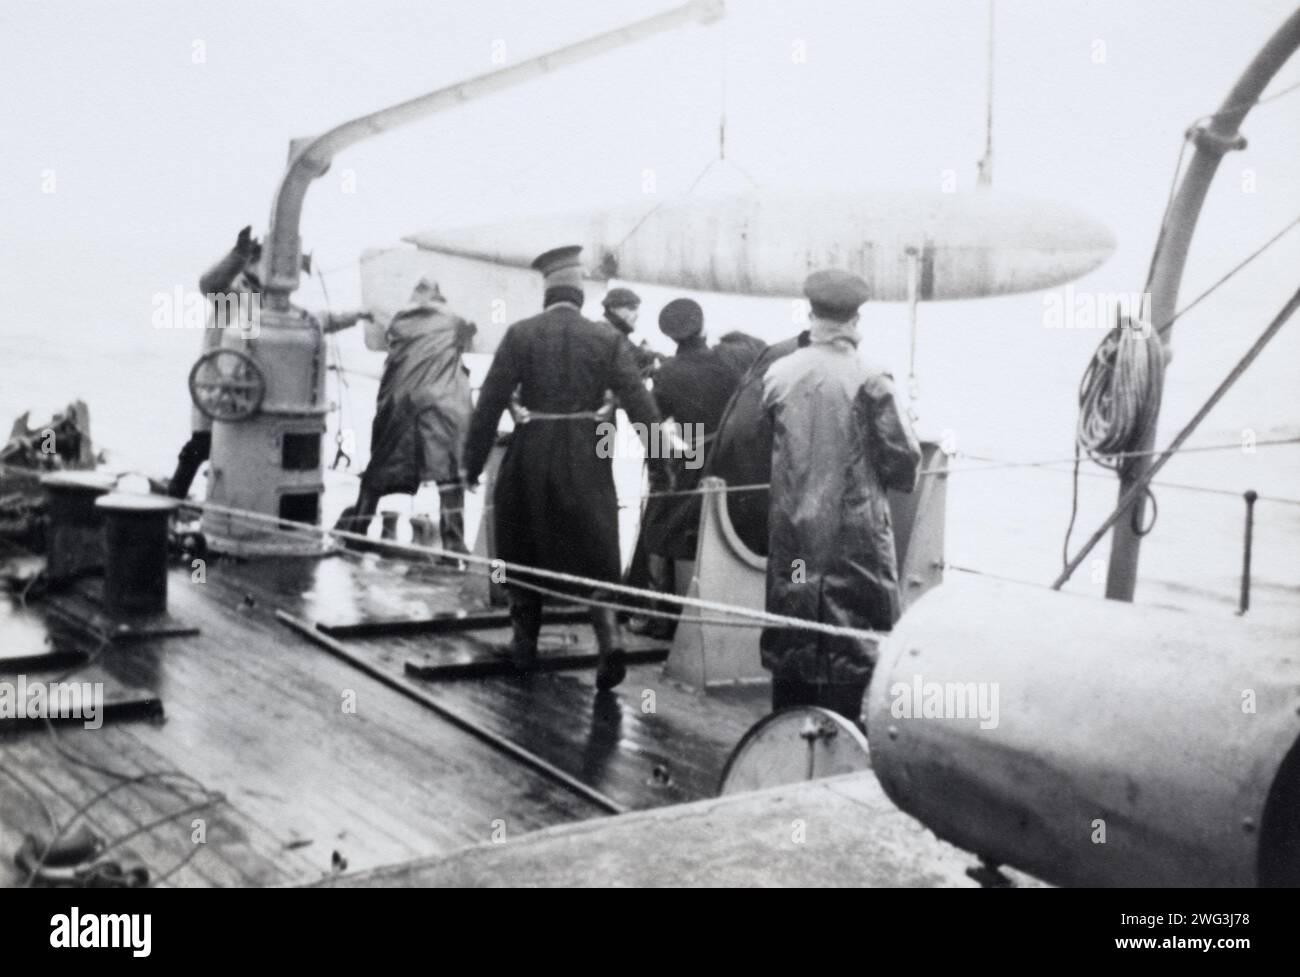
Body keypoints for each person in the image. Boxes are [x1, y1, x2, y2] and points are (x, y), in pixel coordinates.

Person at [462, 245, 661, 691]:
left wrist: (471, 466)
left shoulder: (520, 334)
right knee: (594, 543)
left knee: (522, 539)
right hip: (588, 454)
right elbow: (641, 407)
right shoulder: (606, 339)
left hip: (531, 452)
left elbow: (489, 405)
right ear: (581, 296)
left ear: (547, 295)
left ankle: (524, 643)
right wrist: (665, 465)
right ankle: (608, 637)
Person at [760, 270, 922, 720]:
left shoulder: (779, 374)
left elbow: (764, 441)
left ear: (811, 313)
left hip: (794, 533)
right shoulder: (871, 378)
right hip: (854, 537)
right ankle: (846, 730)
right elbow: (903, 462)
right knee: (856, 629)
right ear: (855, 317)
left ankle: (787, 720)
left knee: (794, 612)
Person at [169, 227, 368, 499]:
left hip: (249, 392)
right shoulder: (231, 294)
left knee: (237, 452)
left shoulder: (269, 302)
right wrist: (237, 255)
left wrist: (354, 317)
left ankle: (220, 501)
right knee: (202, 444)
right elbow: (209, 284)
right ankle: (173, 499)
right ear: (255, 262)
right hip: (219, 385)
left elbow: (311, 321)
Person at [334, 277, 475, 559]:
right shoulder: (455, 321)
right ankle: (454, 547)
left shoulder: (398, 322)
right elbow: (472, 333)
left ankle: (357, 534)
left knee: (377, 472)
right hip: (444, 406)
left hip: (398, 405)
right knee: (449, 473)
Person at [634, 299, 742, 638]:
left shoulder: (667, 373)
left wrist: (661, 466)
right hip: (729, 458)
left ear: (671, 337)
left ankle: (661, 618)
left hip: (693, 451)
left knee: (657, 525)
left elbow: (650, 425)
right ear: (703, 327)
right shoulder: (728, 362)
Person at [599, 287, 658, 379]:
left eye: (637, 309)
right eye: (631, 308)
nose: (637, 314)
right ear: (613, 308)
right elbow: (636, 358)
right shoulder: (608, 334)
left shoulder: (613, 332)